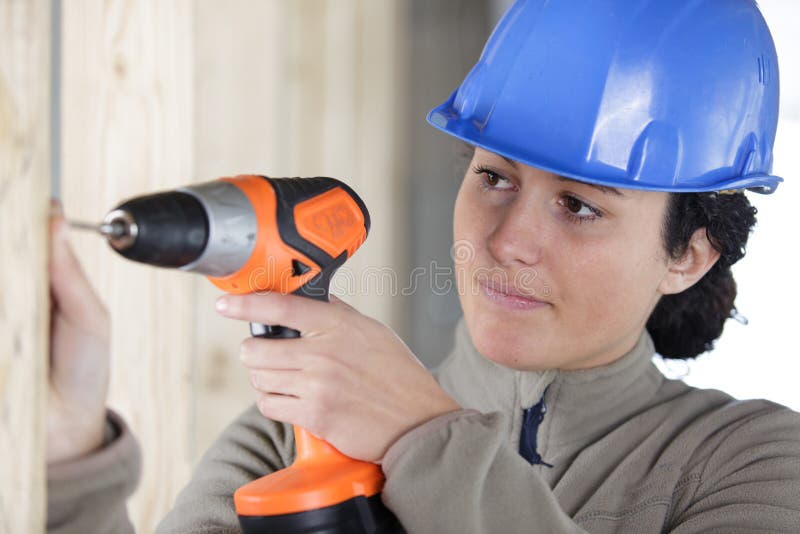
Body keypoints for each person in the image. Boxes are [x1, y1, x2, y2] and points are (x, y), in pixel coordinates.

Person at [46, 0, 800, 532]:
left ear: (687, 254)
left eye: (578, 206)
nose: (507, 241)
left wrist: (423, 440)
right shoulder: (298, 432)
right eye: (494, 178)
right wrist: (74, 449)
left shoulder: (748, 463)